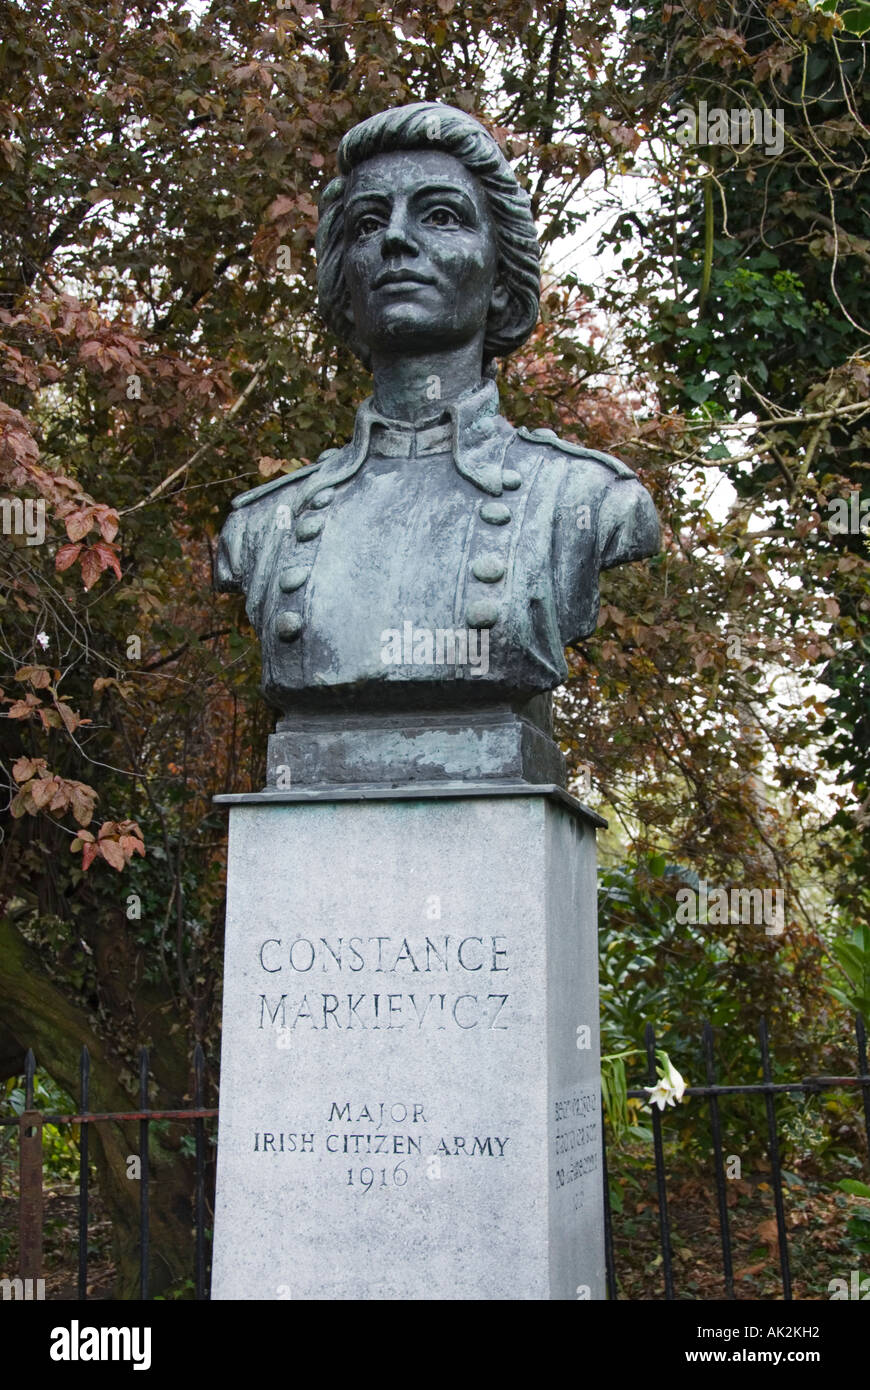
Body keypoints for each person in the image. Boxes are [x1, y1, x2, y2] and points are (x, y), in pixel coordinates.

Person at [215, 102, 659, 727]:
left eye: (441, 215)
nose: (396, 237)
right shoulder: (264, 525)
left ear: (501, 278)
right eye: (368, 224)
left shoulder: (584, 498)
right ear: (345, 281)